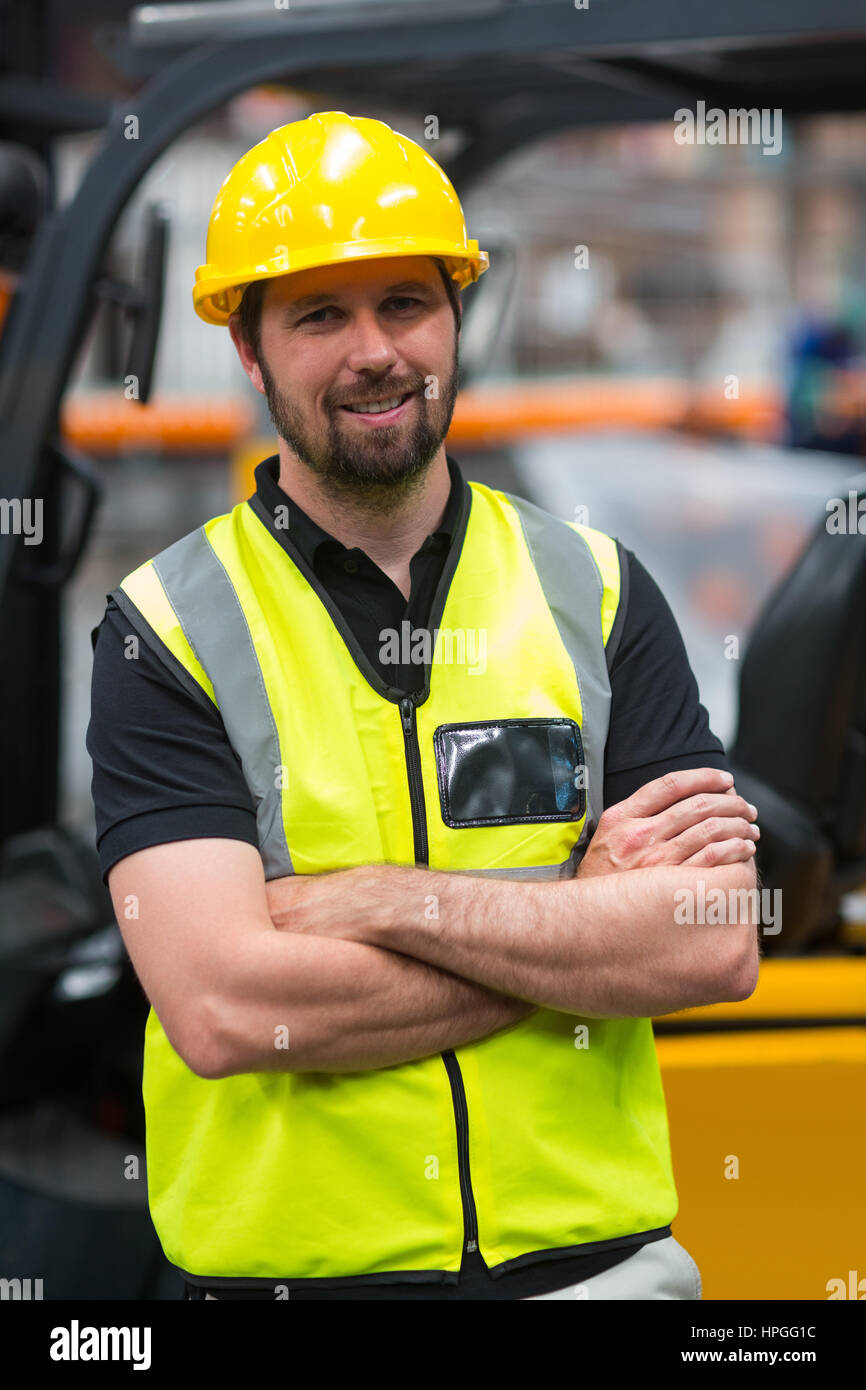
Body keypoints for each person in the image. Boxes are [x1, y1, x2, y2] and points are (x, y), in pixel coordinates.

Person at [87, 112, 760, 1301]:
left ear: (454, 318)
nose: (373, 351)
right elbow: (227, 1008)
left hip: (595, 1275)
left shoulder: (592, 589)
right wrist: (580, 927)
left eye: (404, 303)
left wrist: (373, 902)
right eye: (318, 316)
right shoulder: (167, 629)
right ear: (249, 351)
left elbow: (706, 935)